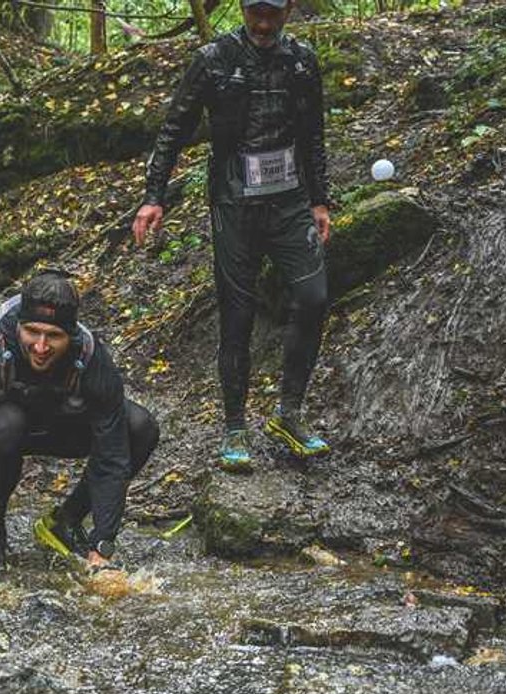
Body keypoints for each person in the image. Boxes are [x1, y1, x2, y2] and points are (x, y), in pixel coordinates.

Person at [132, 0, 333, 473]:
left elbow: (314, 133)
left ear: (287, 11)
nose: (264, 24)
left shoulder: (302, 60)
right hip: (233, 203)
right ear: (243, 10)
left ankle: (290, 412)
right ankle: (234, 427)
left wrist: (321, 200)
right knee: (237, 314)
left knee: (314, 296)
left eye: (273, 14)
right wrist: (153, 196)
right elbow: (174, 128)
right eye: (255, 14)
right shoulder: (214, 59)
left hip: (289, 201)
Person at [0, 271, 160, 597]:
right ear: (19, 326)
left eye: (53, 336)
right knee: (6, 423)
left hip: (64, 426)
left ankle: (66, 522)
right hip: (3, 436)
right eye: (32, 332)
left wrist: (102, 550)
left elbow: (112, 457)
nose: (41, 347)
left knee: (140, 426)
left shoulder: (92, 358)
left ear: (69, 336)